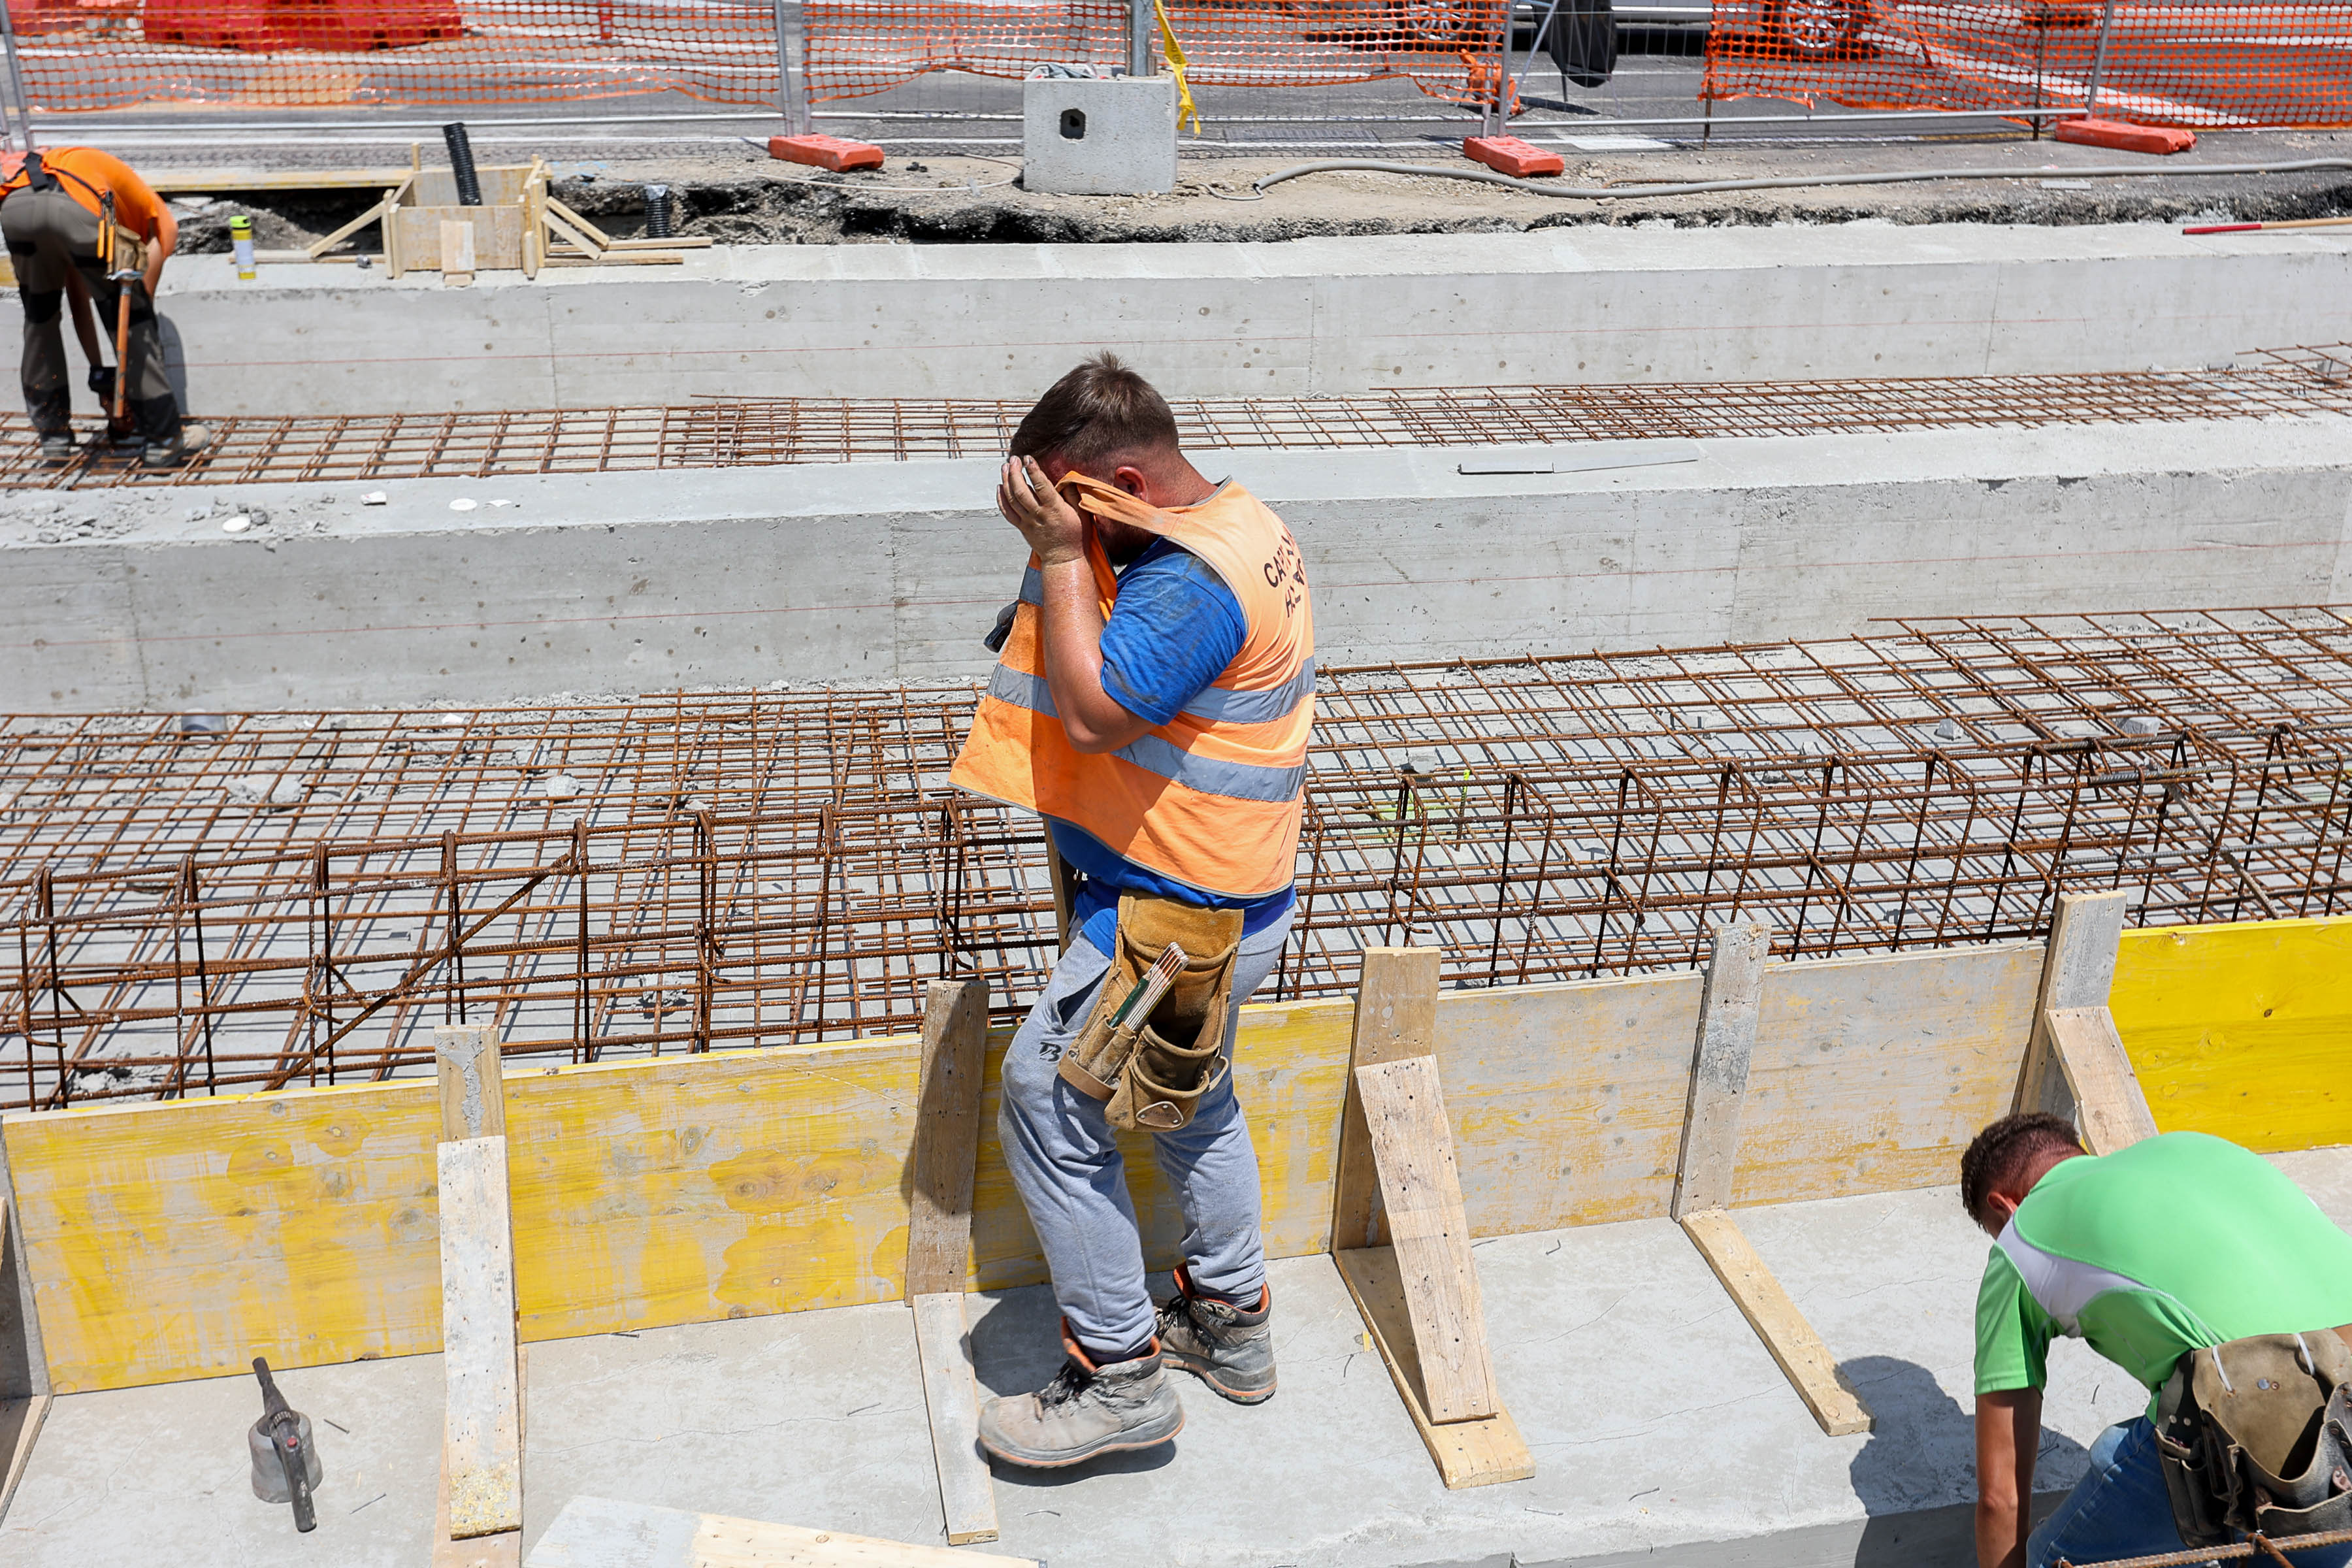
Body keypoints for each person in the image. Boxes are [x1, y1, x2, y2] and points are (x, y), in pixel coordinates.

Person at [951, 353, 1314, 1469]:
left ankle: (1120, 1379)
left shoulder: (1188, 587)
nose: (1057, 523)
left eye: (1069, 500)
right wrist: (1065, 549)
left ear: (1126, 481)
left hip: (1173, 914)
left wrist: (1064, 557)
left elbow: (1102, 712)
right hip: (1225, 898)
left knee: (1050, 1104)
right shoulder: (1232, 519)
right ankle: (1232, 1326)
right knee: (1189, 1102)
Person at [1965, 1113, 2352, 1568]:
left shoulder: (2018, 1241)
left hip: (2289, 1440)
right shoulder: (2196, 1146)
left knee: (2051, 1556)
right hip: (2340, 1415)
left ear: (2004, 1206)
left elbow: (2000, 1499)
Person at [0, 146, 208, 467]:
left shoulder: (89, 178)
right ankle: (164, 440)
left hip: (16, 208)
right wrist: (130, 342)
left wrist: (102, 375)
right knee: (135, 319)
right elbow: (136, 304)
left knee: (40, 319)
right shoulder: (154, 215)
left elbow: (77, 299)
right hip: (74, 206)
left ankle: (54, 437)